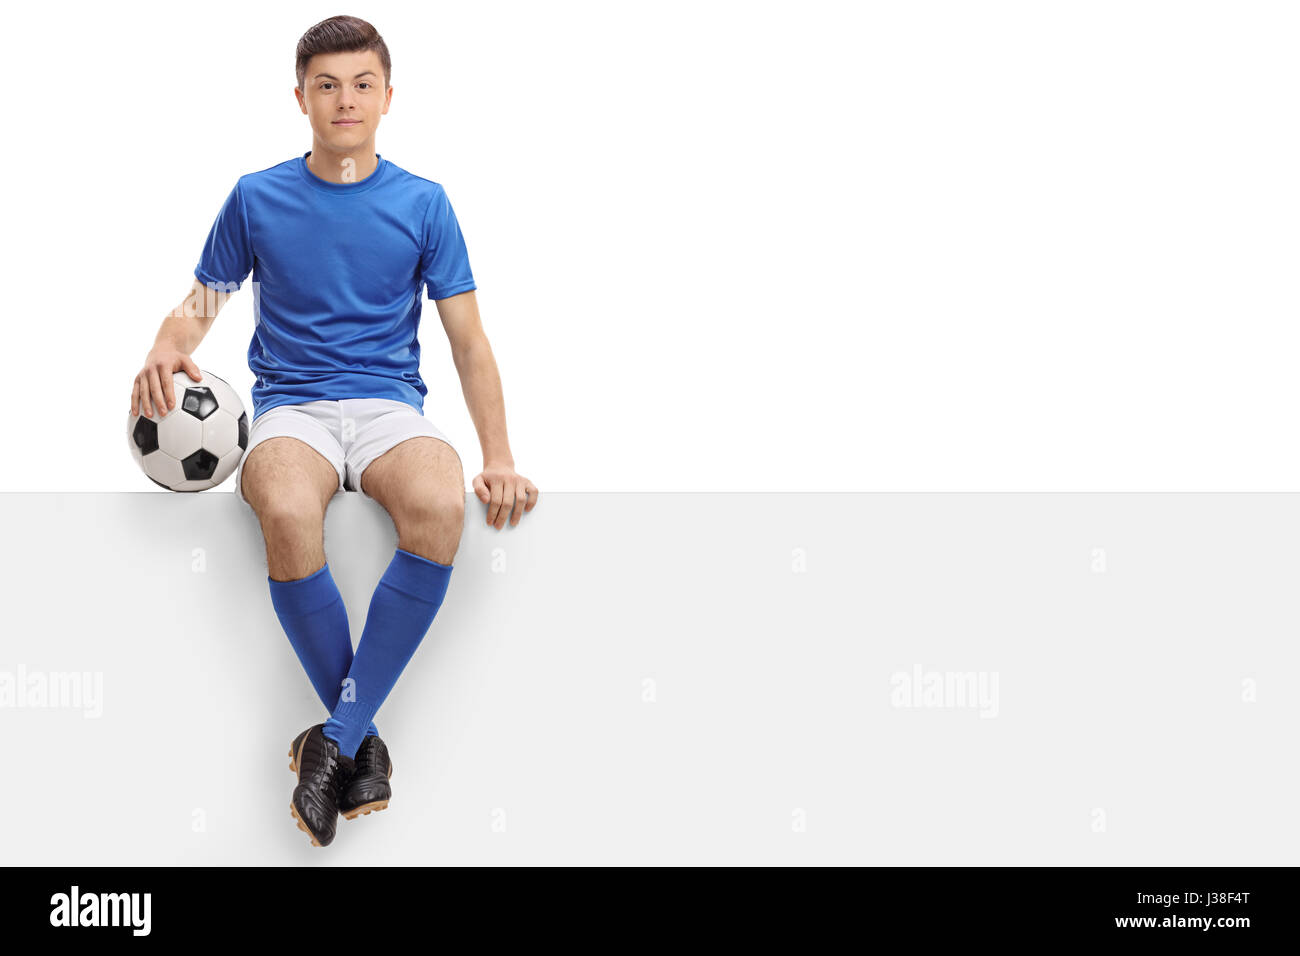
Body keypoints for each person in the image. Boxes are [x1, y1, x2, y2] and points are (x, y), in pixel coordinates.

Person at [128, 15, 539, 848]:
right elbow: (204, 301)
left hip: (391, 406)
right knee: (283, 507)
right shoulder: (256, 196)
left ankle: (339, 738)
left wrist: (498, 456)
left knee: (436, 504)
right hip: (292, 407)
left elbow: (468, 340)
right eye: (327, 84)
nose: (344, 99)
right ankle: (361, 740)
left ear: (389, 97)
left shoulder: (426, 203)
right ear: (300, 97)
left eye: (361, 84)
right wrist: (164, 350)